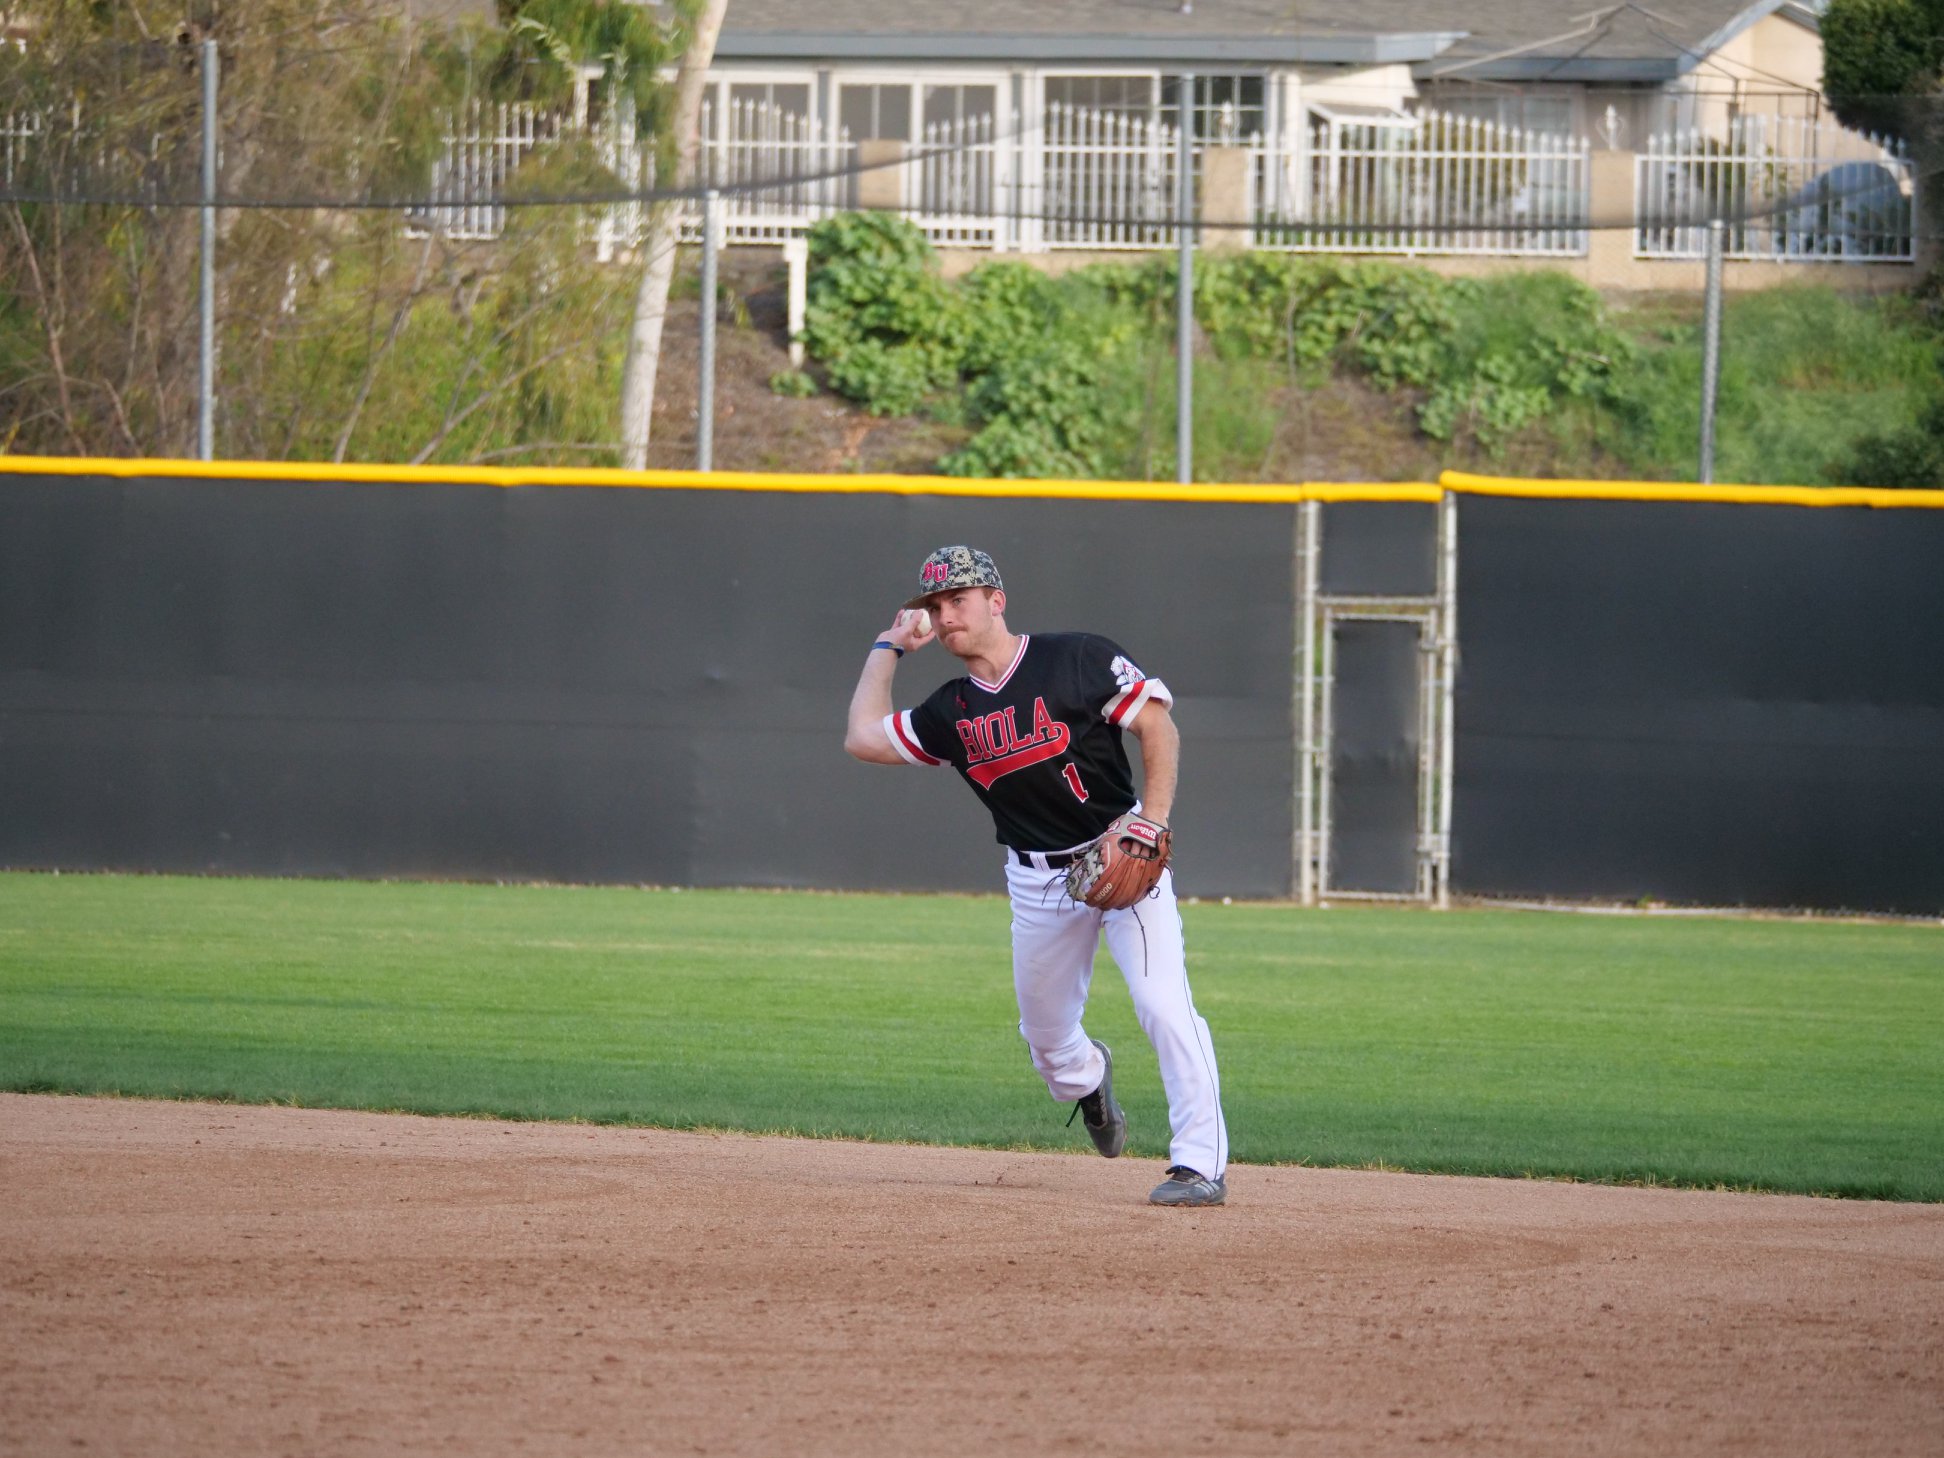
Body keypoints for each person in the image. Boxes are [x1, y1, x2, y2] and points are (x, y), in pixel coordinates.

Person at [843, 545, 1229, 1207]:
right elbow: (864, 738)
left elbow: (1157, 727)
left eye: (958, 599)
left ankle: (1199, 1164)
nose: (946, 615)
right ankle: (1091, 1077)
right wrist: (888, 645)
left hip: (1122, 852)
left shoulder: (1074, 657)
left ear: (997, 599)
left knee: (1163, 1002)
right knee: (1050, 1049)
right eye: (936, 606)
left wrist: (1153, 820)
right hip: (1037, 882)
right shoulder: (951, 711)